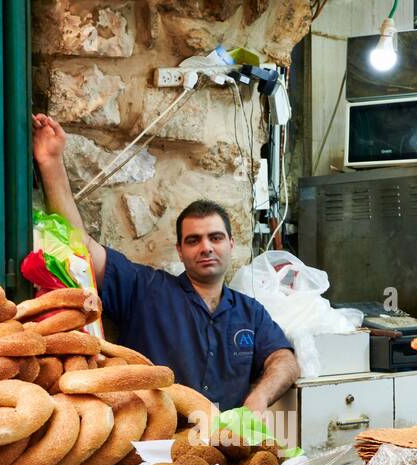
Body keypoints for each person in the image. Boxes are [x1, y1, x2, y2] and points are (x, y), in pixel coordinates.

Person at [31, 113, 300, 414]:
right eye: (193, 240)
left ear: (231, 245)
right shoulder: (145, 290)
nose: (206, 247)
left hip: (225, 447)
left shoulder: (250, 313)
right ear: (180, 251)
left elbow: (285, 361)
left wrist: (259, 397)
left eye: (215, 237)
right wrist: (51, 162)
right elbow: (80, 247)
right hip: (155, 445)